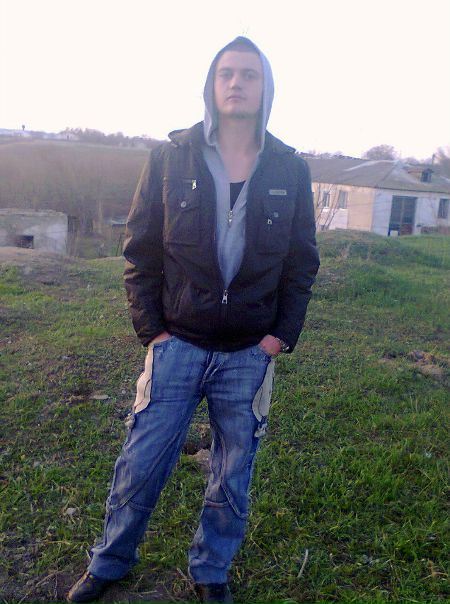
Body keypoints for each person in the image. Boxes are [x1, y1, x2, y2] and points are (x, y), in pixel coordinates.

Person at [67, 36, 320, 604]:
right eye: (226, 73)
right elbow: (140, 251)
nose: (236, 83)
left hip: (249, 351)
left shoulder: (290, 167)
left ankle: (211, 572)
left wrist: (279, 336)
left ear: (266, 87)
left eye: (249, 74)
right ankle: (109, 562)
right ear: (211, 84)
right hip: (176, 342)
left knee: (232, 472)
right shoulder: (170, 157)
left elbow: (302, 262)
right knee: (142, 461)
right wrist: (152, 332)